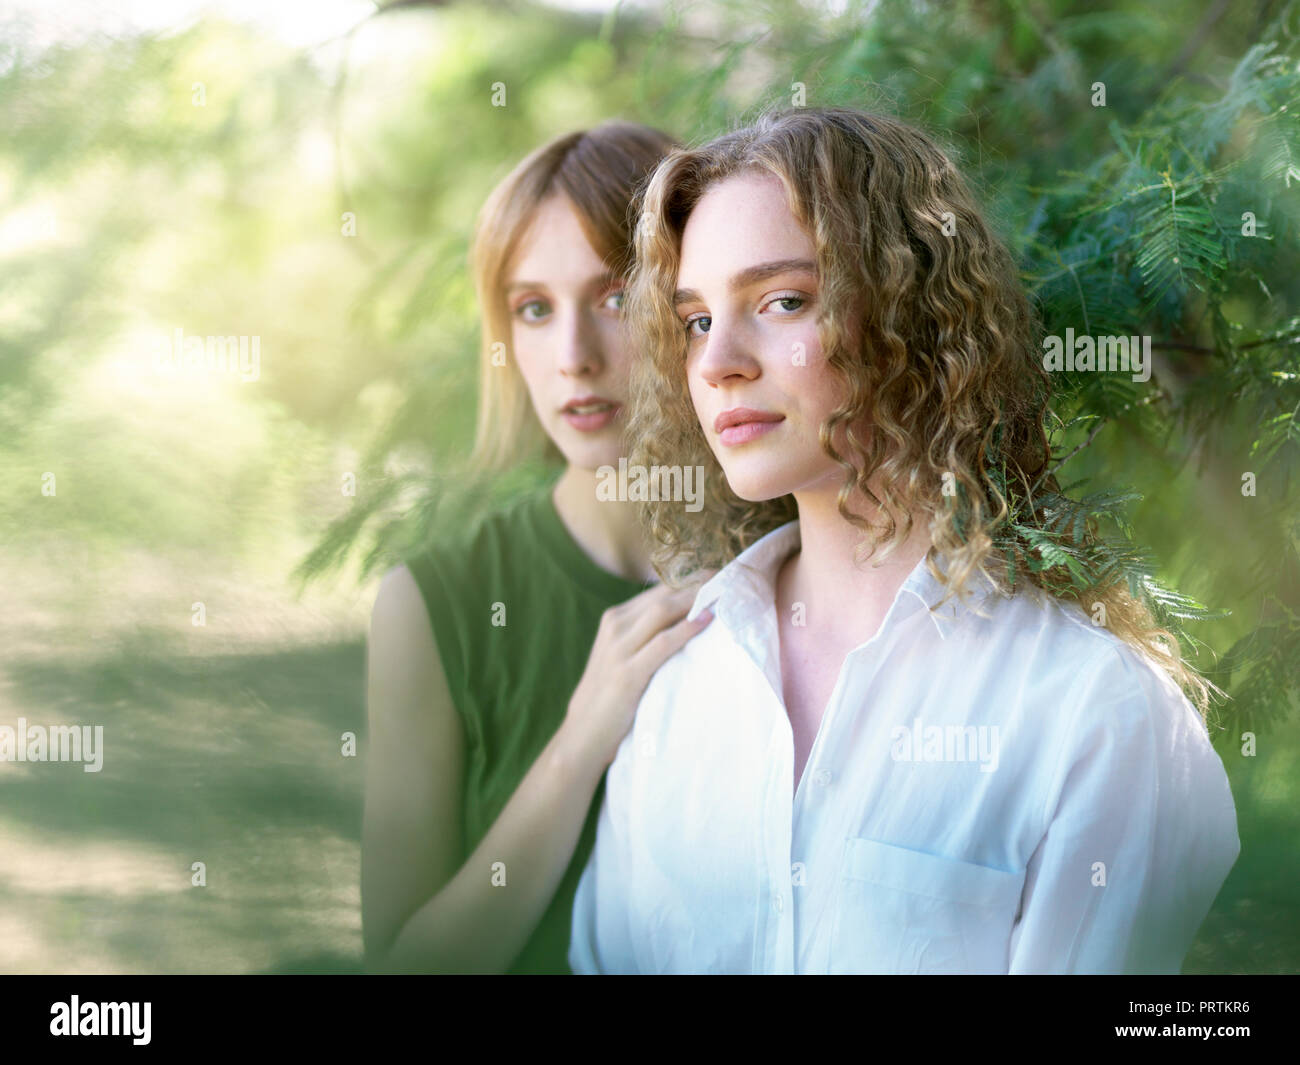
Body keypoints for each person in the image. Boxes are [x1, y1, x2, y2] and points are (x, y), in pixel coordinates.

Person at [568, 106, 1240, 974]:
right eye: (696, 319)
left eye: (782, 301)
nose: (718, 360)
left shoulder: (1097, 714)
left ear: (908, 313)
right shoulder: (676, 689)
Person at [361, 121, 715, 974]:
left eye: (616, 298)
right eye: (533, 308)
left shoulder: (804, 559)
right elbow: (402, 965)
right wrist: (579, 741)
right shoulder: (434, 603)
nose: (574, 357)